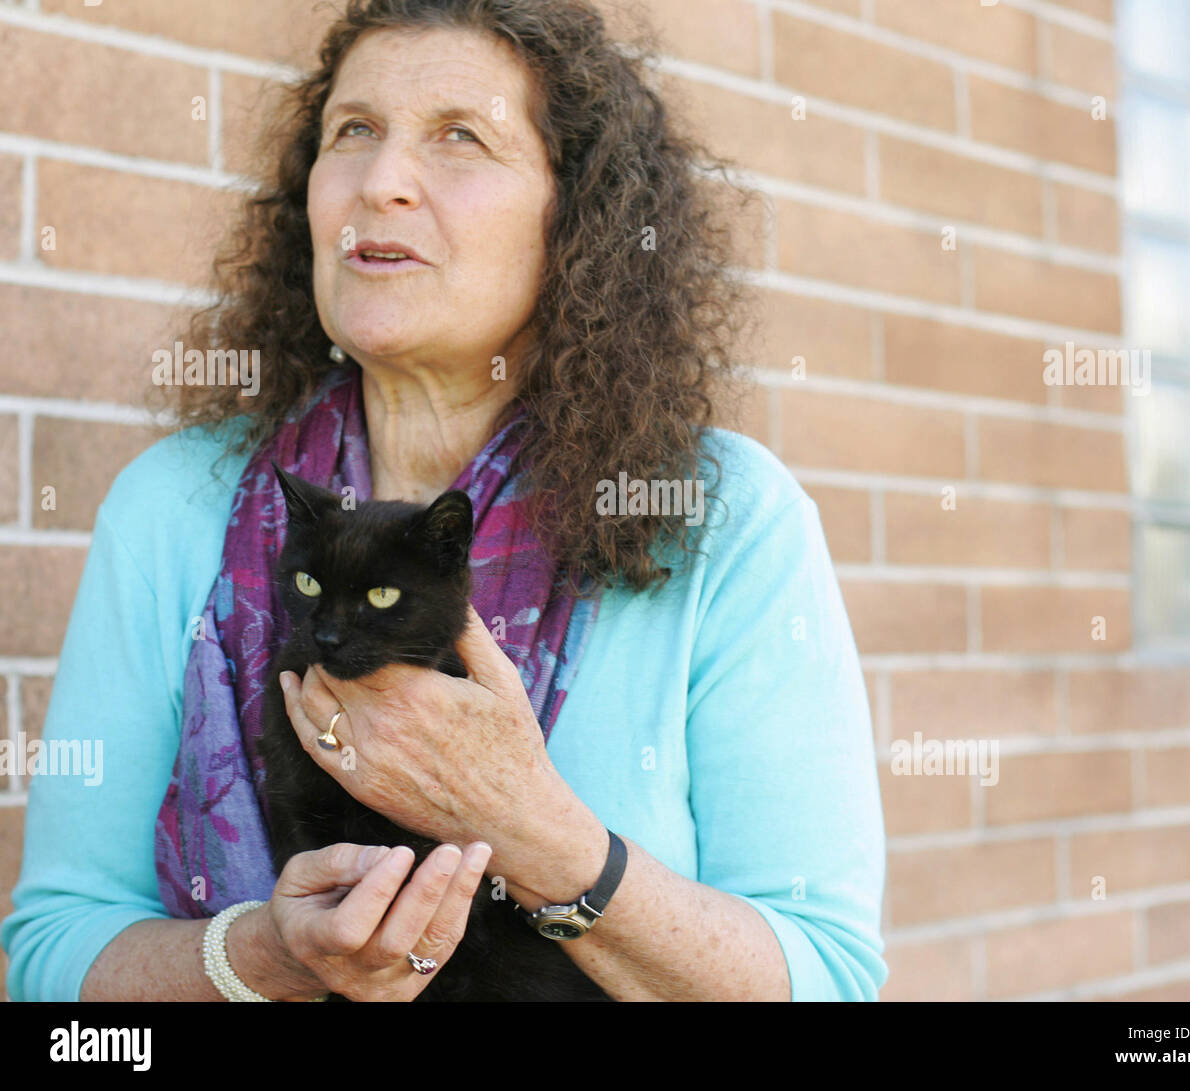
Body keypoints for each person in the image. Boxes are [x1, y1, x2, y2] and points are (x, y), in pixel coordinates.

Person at [1, 0, 888, 1002]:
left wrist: (531, 827)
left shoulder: (720, 519)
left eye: (459, 137)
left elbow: (825, 975)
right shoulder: (170, 508)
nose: (380, 182)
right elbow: (53, 959)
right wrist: (267, 955)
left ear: (577, 215)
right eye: (353, 132)